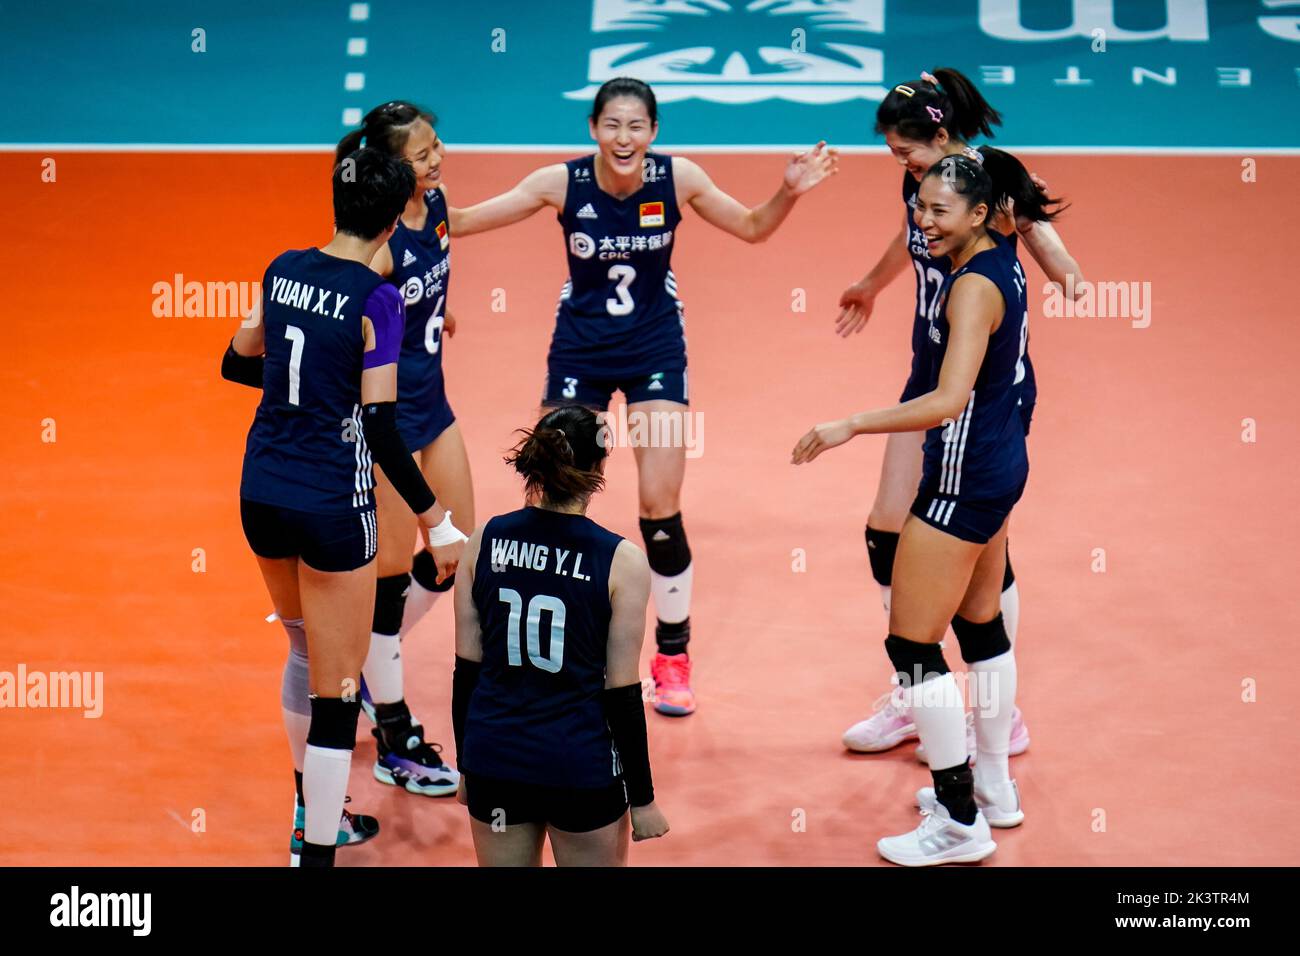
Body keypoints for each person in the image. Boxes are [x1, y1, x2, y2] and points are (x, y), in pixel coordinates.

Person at [450, 77, 838, 715]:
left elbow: (752, 227)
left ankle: (673, 652)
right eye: (612, 125)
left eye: (636, 126)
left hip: (655, 351)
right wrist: (414, 191)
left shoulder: (677, 177)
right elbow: (462, 222)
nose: (624, 138)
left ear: (653, 132)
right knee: (550, 490)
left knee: (659, 504)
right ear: (593, 129)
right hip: (579, 352)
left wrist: (787, 192)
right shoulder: (561, 183)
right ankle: (546, 640)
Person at [222, 147, 463, 866]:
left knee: (303, 650)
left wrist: (312, 378)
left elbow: (236, 361)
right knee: (338, 688)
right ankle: (317, 852)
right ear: (394, 220)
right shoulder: (379, 298)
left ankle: (309, 817)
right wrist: (436, 520)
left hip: (261, 489)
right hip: (332, 503)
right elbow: (383, 428)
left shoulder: (283, 267)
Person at [835, 68, 1082, 763]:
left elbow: (1036, 232)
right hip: (930, 375)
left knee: (981, 549)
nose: (902, 167)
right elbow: (909, 240)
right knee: (886, 531)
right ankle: (919, 696)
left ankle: (1000, 714)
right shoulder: (926, 191)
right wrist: (870, 284)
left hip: (979, 392)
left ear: (939, 137)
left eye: (904, 151)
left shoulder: (986, 189)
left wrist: (1070, 273)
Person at [793, 156, 1029, 865]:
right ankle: (994, 789)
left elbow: (948, 397)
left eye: (938, 211)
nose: (923, 222)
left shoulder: (968, 291)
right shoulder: (1004, 259)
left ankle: (959, 821)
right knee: (982, 629)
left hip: (962, 477)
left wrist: (851, 424)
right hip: (1001, 464)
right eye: (919, 207)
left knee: (913, 645)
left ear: (981, 214)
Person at [452, 405, 669, 865]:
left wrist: (466, 765)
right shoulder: (620, 561)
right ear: (599, 468)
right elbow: (623, 691)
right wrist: (643, 797)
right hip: (578, 767)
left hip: (495, 761)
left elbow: (466, 673)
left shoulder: (483, 541)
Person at [334, 102, 474, 798]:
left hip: (435, 407)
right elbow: (354, 306)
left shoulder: (439, 205)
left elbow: (435, 268)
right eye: (422, 154)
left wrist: (436, 310)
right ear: (393, 168)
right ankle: (393, 733)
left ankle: (366, 664)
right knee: (390, 577)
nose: (437, 157)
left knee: (456, 549)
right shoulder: (380, 247)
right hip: (385, 422)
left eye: (437, 144)